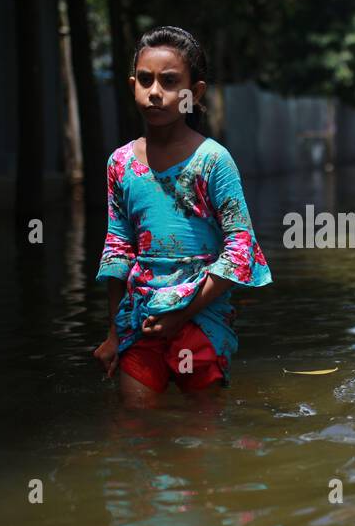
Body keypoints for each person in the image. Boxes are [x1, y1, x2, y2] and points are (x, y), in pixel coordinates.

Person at [92, 26, 271, 404]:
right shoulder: (120, 164)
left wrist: (183, 312)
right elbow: (117, 248)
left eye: (169, 82)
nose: (155, 92)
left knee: (201, 436)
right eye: (145, 80)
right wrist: (113, 332)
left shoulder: (213, 161)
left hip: (202, 317)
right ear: (132, 85)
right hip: (140, 318)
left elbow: (241, 249)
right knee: (134, 427)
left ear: (195, 93)